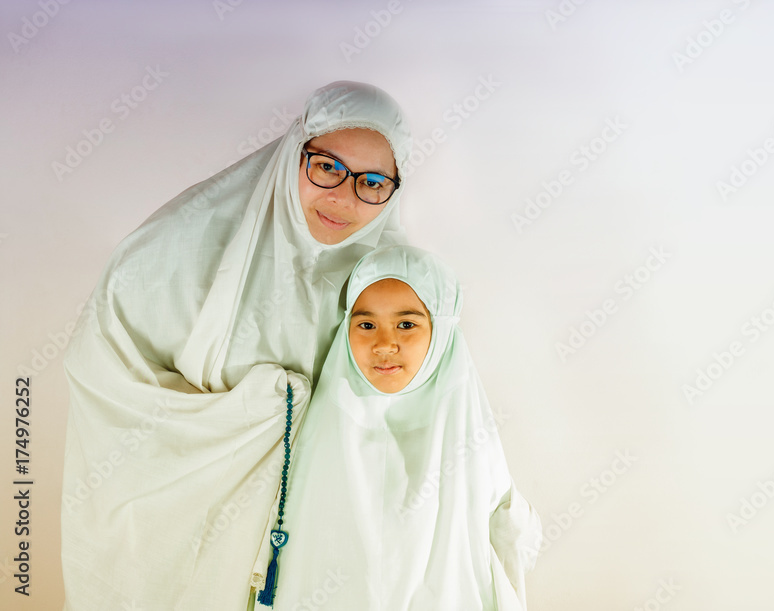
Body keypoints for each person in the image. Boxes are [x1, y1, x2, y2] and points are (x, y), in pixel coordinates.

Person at [61, 81, 414, 610]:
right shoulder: (183, 243)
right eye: (327, 167)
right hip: (177, 522)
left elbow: (417, 406)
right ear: (293, 153)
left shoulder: (396, 283)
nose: (344, 196)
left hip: (308, 536)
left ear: (393, 189)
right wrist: (259, 409)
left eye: (371, 182)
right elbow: (103, 372)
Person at [250, 245, 541, 610]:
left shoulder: (469, 437)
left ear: (441, 328)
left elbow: (509, 545)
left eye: (406, 324)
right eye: (366, 324)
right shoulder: (307, 423)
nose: (384, 344)